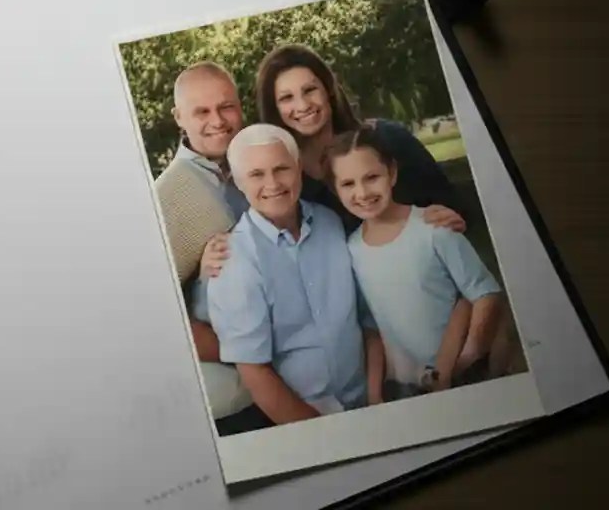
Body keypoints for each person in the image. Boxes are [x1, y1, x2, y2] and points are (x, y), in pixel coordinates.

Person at [206, 124, 384, 424]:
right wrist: (320, 433)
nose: (273, 183)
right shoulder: (232, 260)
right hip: (306, 418)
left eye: (281, 169)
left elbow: (366, 320)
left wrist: (377, 399)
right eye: (256, 174)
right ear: (238, 183)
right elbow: (253, 370)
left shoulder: (330, 223)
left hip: (368, 398)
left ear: (299, 167)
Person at [325, 124, 505, 398]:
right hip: (404, 388)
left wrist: (465, 360)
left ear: (392, 173)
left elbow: (485, 293)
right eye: (348, 184)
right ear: (335, 189)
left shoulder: (433, 227)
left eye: (372, 177)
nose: (362, 193)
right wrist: (375, 395)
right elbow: (372, 326)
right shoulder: (351, 250)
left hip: (461, 377)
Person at [152, 61, 260, 432]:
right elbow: (155, 317)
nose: (218, 120)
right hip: (233, 403)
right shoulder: (169, 194)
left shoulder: (255, 165)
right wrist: (249, 351)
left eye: (226, 106)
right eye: (202, 111)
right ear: (179, 117)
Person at [255, 43, 462, 234]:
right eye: (286, 98)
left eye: (310, 90)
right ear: (274, 109)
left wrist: (446, 217)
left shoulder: (389, 139)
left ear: (329, 89)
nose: (303, 105)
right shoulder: (284, 182)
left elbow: (449, 203)